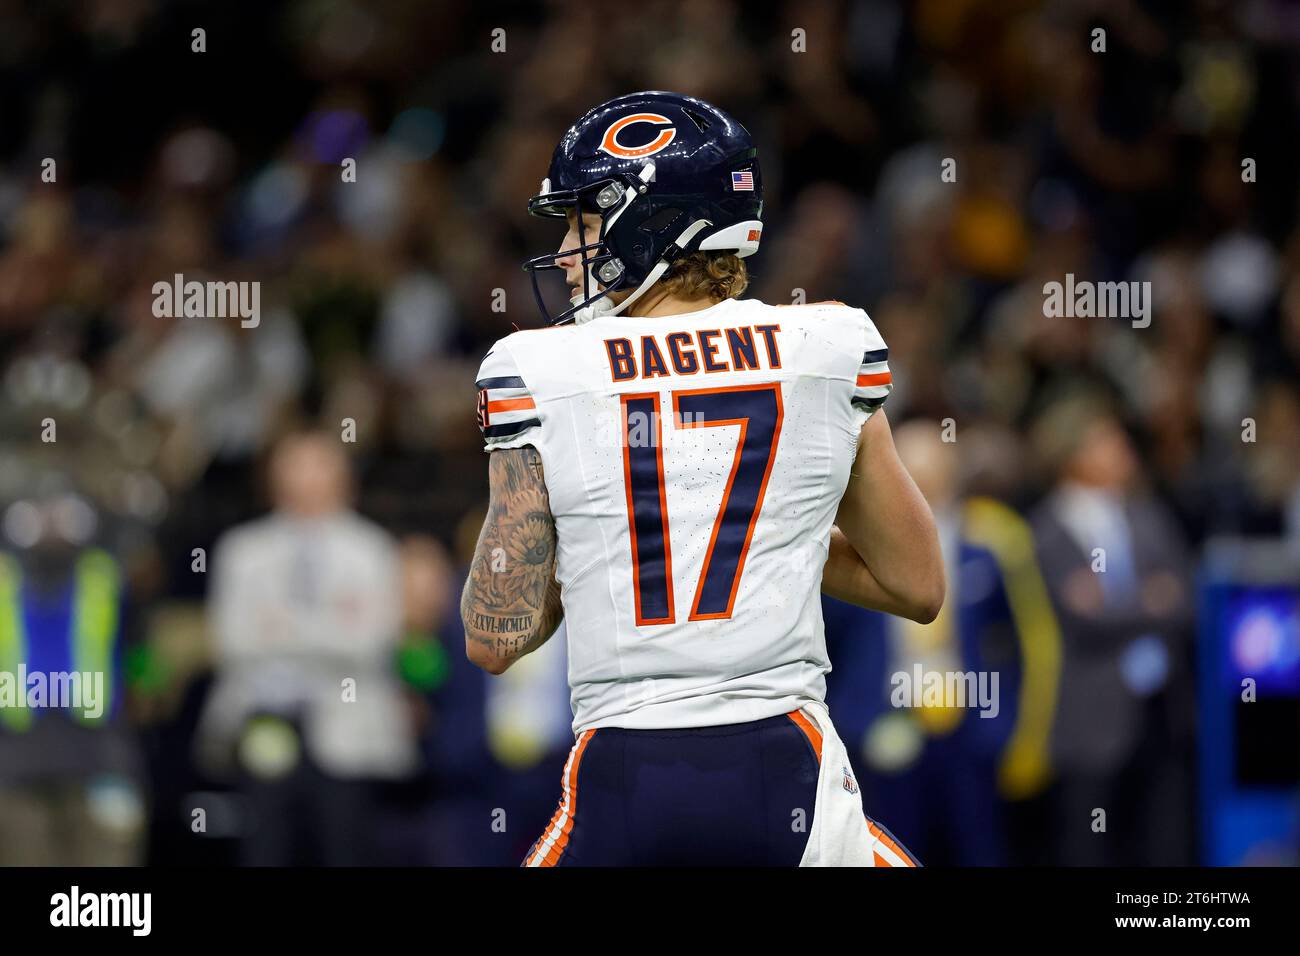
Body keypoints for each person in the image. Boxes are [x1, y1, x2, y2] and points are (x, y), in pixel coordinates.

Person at [460, 92, 944, 866]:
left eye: (584, 223)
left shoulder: (539, 370)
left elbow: (494, 636)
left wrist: (639, 533)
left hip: (623, 775)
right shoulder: (823, 346)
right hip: (792, 773)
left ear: (653, 222)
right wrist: (769, 527)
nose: (566, 250)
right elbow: (918, 585)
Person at [197, 431, 415, 865]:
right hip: (261, 730)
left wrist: (284, 626)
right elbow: (232, 642)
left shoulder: (372, 550)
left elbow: (373, 643)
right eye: (295, 465)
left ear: (343, 475)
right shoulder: (242, 551)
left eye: (319, 465)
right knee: (265, 852)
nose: (307, 478)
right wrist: (334, 625)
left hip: (348, 740)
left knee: (344, 852)